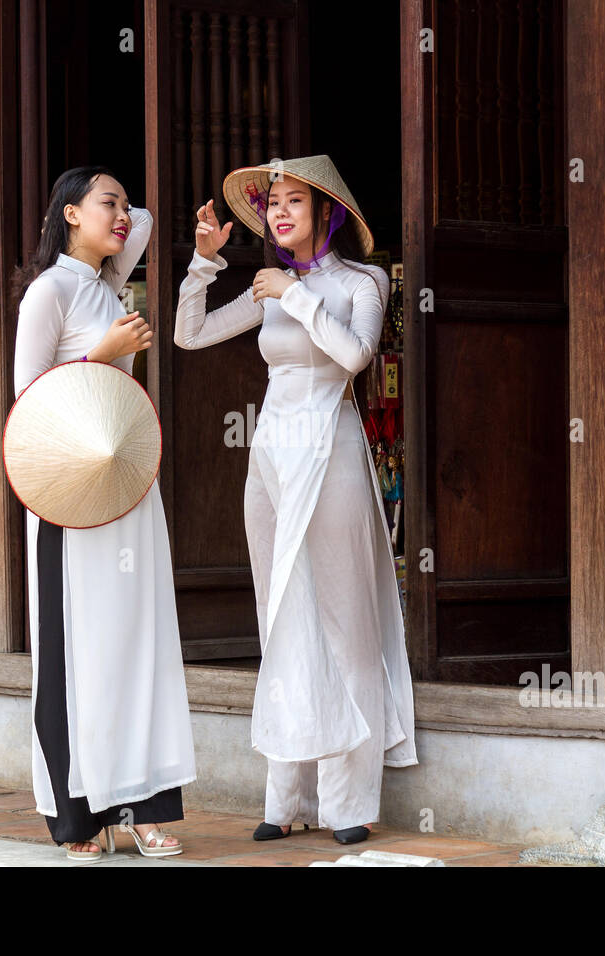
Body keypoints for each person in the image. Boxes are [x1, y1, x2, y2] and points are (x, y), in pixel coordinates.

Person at [173, 155, 417, 845]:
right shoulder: (267, 285)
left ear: (326, 213)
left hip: (331, 449)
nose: (278, 214)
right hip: (273, 455)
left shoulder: (362, 282)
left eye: (292, 203)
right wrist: (202, 264)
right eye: (270, 204)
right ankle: (287, 796)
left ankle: (351, 801)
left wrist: (296, 293)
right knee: (282, 616)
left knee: (347, 623)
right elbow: (188, 334)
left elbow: (355, 357)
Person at [13, 166, 195, 861]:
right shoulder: (49, 293)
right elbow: (26, 401)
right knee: (76, 648)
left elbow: (143, 223)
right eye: (106, 203)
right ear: (68, 214)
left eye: (122, 202)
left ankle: (144, 808)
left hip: (128, 487)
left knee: (135, 641)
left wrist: (113, 217)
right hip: (70, 499)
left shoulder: (102, 286)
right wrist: (102, 353)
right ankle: (78, 817)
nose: (124, 215)